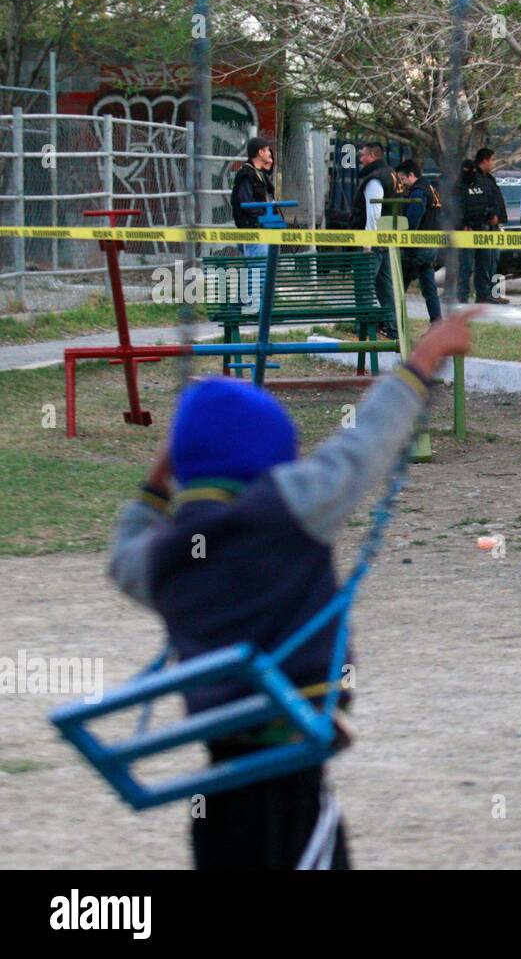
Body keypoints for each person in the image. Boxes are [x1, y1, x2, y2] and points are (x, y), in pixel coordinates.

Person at [106, 310, 482, 868]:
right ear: (272, 458)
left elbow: (121, 556)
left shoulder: (162, 558)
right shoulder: (288, 509)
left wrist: (159, 477)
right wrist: (425, 357)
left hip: (221, 778)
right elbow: (365, 446)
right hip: (286, 777)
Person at [350, 142, 401, 338]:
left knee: (363, 286)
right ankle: (393, 329)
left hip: (372, 241)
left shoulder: (375, 179)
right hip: (387, 240)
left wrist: (367, 242)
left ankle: (363, 329)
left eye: (363, 155)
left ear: (372, 156)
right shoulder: (393, 175)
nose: (360, 159)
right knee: (386, 288)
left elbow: (374, 213)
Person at [229, 136, 278, 309]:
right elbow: (245, 202)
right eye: (267, 150)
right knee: (258, 269)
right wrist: (263, 214)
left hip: (263, 228)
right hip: (253, 228)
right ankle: (251, 307)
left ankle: (254, 307)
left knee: (260, 269)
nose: (269, 153)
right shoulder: (246, 173)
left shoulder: (260, 174)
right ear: (260, 152)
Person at [395, 159, 444, 322]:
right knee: (429, 288)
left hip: (417, 247)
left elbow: (412, 221)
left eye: (402, 179)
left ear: (411, 175)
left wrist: (402, 237)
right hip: (431, 245)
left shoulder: (418, 191)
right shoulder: (431, 188)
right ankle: (437, 322)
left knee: (398, 286)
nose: (402, 184)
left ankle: (391, 322)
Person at [457, 150, 508, 304]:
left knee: (488, 264)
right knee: (466, 265)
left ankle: (486, 295)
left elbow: (493, 202)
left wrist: (495, 216)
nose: (493, 163)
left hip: (488, 228)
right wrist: (463, 224)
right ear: (485, 160)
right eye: (492, 160)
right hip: (470, 229)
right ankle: (463, 296)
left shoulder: (488, 180)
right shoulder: (469, 180)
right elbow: (460, 205)